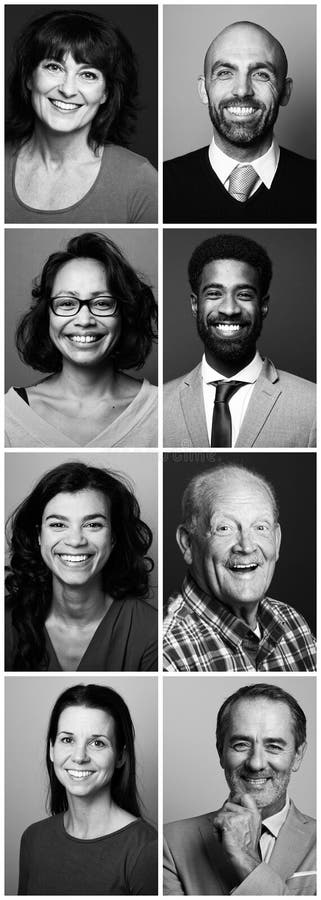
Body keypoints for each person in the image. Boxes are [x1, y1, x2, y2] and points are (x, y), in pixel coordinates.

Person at [5, 231, 158, 447]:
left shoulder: (162, 410)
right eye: (67, 303)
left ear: (124, 315)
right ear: (46, 315)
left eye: (102, 303)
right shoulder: (8, 418)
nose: (84, 320)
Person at [6, 10, 157, 224]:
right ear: (29, 78)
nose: (68, 90)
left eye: (88, 75)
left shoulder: (140, 181)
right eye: (54, 67)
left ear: (105, 93)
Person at [163, 234, 315, 447]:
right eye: (215, 293)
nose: (229, 309)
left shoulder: (313, 405)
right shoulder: (158, 404)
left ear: (263, 305)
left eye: (244, 294)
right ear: (195, 305)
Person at [163, 682, 316, 895]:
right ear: (220, 752)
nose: (256, 763)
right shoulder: (168, 843)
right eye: (241, 745)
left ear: (297, 755)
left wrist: (247, 860)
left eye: (274, 746)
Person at [6, 461, 157, 671]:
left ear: (113, 537)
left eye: (93, 525)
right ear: (39, 535)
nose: (76, 540)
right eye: (58, 524)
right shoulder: (7, 622)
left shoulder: (153, 632)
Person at [163, 463, 316, 671]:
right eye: (224, 528)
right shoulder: (167, 651)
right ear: (188, 543)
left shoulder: (293, 622)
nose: (246, 546)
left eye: (260, 527)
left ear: (277, 541)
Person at [164, 21, 315, 223]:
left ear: (285, 92)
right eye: (225, 73)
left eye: (261, 74)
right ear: (203, 89)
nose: (243, 90)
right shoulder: (161, 184)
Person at [18, 683, 158, 894]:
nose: (79, 756)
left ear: (121, 756)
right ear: (52, 750)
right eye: (67, 739)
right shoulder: (33, 838)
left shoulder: (146, 849)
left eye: (98, 743)